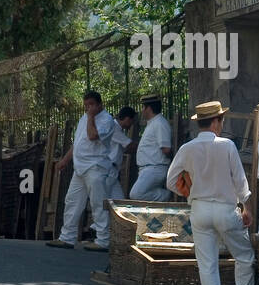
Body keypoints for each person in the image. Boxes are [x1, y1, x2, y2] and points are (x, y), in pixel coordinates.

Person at [164, 101, 257, 285]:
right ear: (216, 122)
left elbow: (170, 180)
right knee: (244, 257)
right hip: (226, 209)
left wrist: (189, 191)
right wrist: (247, 207)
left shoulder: (187, 148)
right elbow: (240, 181)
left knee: (207, 265)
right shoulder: (227, 145)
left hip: (200, 209)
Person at [47, 91, 117, 252]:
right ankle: (67, 237)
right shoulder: (84, 118)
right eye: (86, 105)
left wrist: (91, 117)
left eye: (91, 105)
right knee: (72, 201)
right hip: (80, 168)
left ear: (100, 104)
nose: (88, 108)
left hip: (96, 167)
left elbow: (93, 136)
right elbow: (78, 143)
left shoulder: (107, 120)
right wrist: (65, 160)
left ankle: (103, 240)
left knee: (98, 204)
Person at [129, 95, 173, 201]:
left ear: (149, 108)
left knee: (136, 194)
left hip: (155, 168)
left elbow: (166, 149)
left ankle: (167, 195)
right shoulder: (153, 123)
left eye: (143, 107)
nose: (142, 110)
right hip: (148, 168)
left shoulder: (159, 123)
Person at [105, 106, 138, 200]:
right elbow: (130, 146)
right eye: (132, 121)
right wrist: (146, 147)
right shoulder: (114, 128)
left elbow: (124, 149)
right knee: (104, 201)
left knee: (119, 200)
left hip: (113, 171)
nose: (132, 124)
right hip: (108, 170)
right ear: (127, 119)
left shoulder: (117, 129)